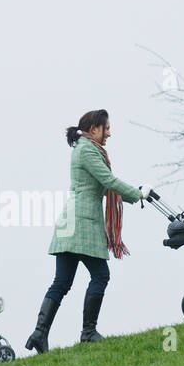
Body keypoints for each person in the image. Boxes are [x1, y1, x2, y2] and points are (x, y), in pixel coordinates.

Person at [25, 109, 152, 352]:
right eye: (107, 128)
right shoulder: (87, 150)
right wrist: (138, 195)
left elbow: (105, 187)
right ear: (94, 129)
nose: (110, 133)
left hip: (70, 223)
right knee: (100, 275)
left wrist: (133, 193)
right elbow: (109, 182)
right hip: (82, 224)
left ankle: (39, 334)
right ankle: (88, 331)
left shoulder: (83, 150)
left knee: (61, 283)